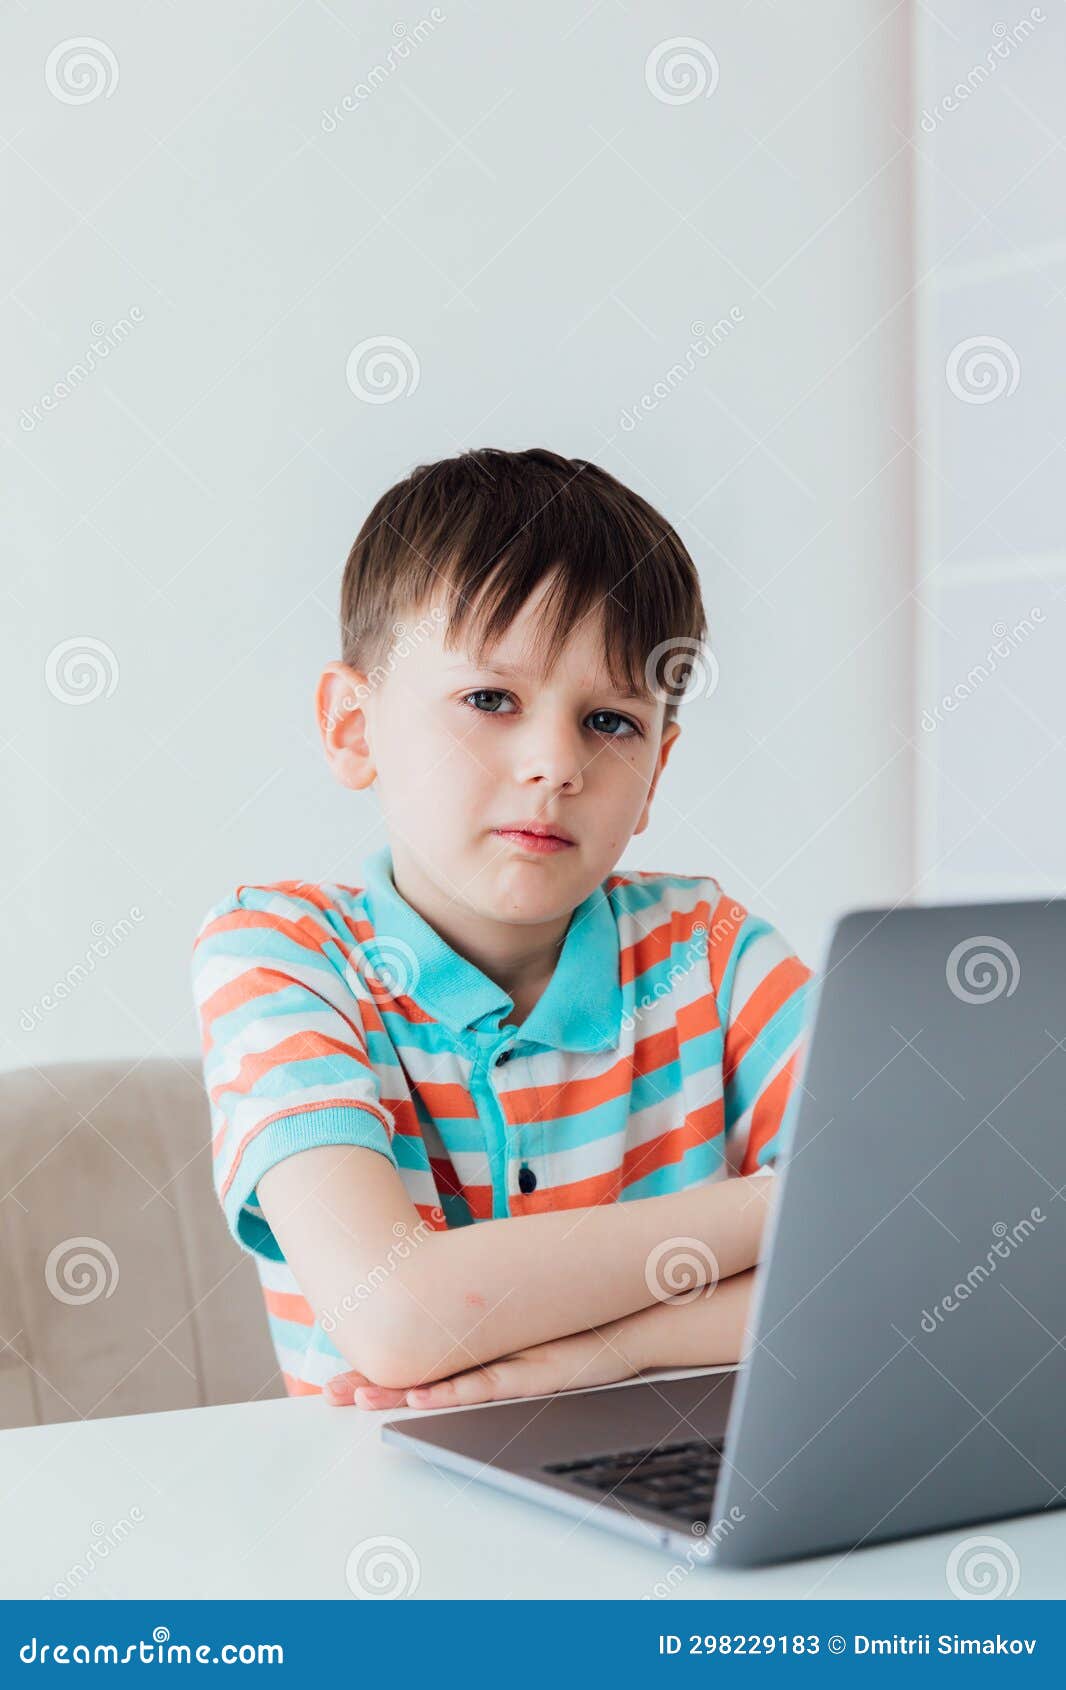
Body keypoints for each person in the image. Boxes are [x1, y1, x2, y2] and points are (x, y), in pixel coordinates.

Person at [189, 446, 811, 1413]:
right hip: (387, 1533)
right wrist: (788, 1207)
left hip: (678, 1489)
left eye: (611, 721)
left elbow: (911, 1266)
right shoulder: (281, 954)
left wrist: (611, 1350)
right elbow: (392, 1315)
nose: (556, 763)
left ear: (658, 769)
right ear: (354, 727)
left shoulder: (714, 951)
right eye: (491, 700)